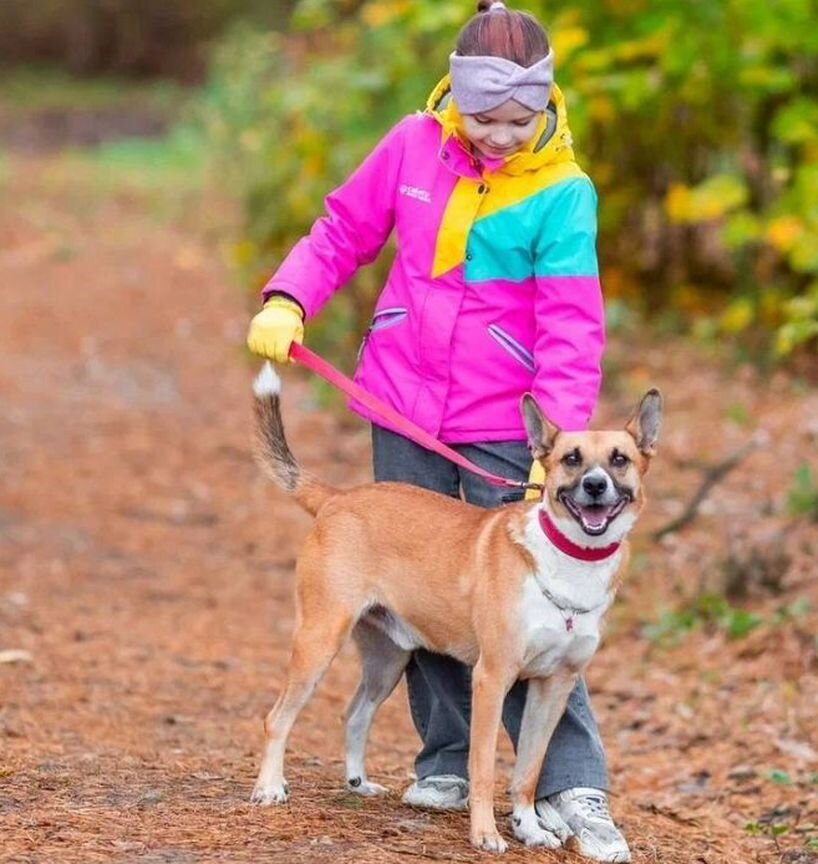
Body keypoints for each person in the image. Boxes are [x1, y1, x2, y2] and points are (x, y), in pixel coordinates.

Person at [246, 1, 630, 860]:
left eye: (520, 119)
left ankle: (572, 786)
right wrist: (289, 295)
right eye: (484, 118)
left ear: (547, 105)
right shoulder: (414, 144)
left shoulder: (563, 191)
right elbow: (345, 229)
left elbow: (573, 326)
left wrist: (560, 455)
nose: (500, 135)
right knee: (422, 590)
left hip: (509, 428)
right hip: (402, 405)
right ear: (456, 100)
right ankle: (451, 759)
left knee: (549, 610)